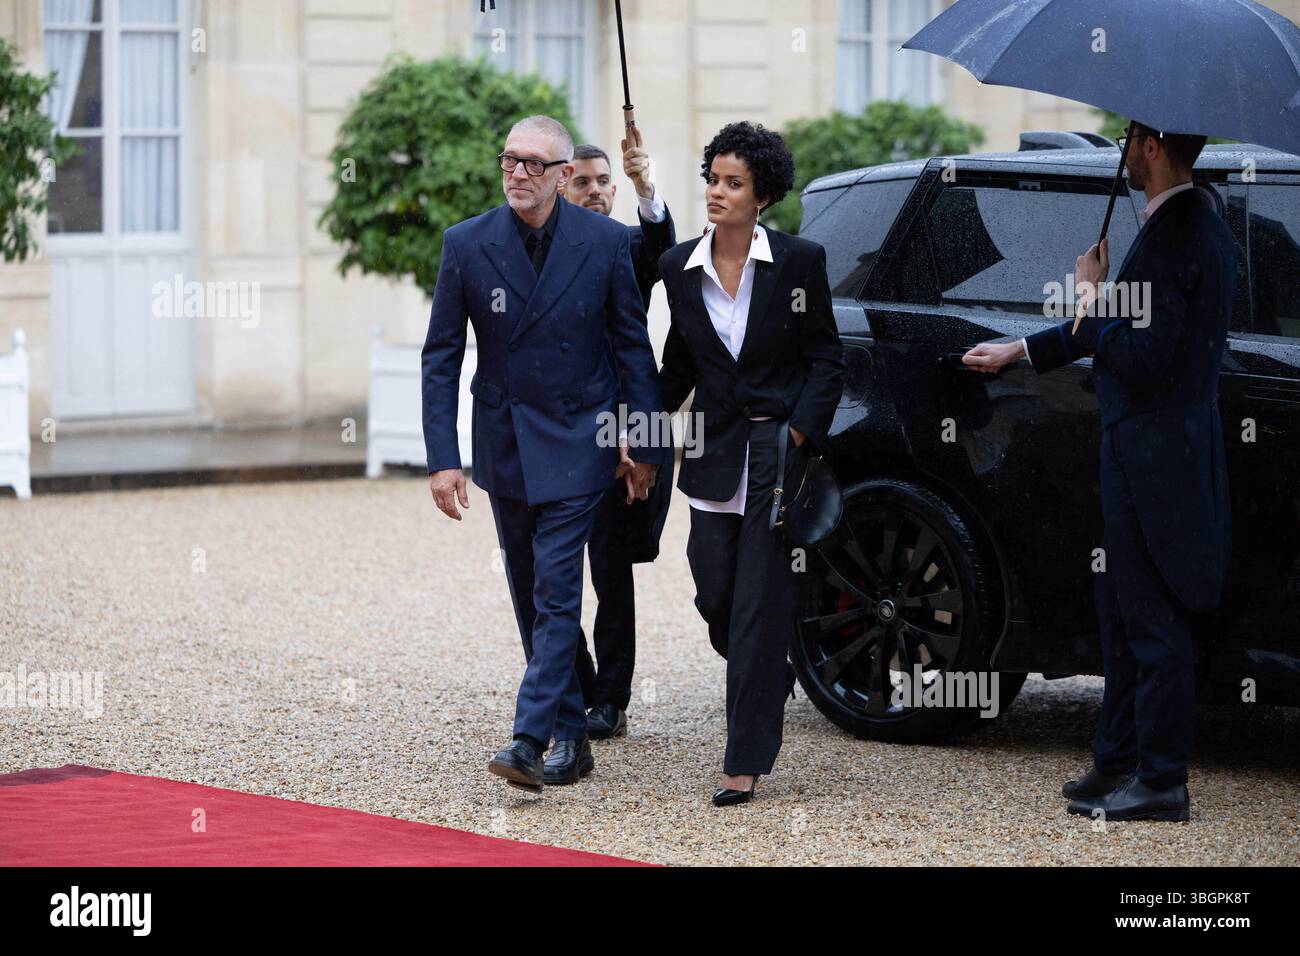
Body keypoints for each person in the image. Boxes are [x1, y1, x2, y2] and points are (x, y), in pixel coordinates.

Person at [963, 121, 1237, 822]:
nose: (1120, 148)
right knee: (1119, 613)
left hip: (1158, 460)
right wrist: (1022, 349)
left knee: (1154, 619)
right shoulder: (1187, 221)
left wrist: (1088, 296)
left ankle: (1162, 781)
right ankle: (1116, 760)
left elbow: (1145, 357)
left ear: (1149, 145)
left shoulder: (1182, 235)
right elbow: (1130, 326)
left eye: (1125, 137)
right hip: (1145, 451)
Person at [422, 115, 665, 792]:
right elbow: (440, 356)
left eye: (532, 163)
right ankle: (573, 742)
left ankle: (533, 739)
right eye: (509, 161)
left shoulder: (607, 243)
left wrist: (642, 442)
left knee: (558, 591)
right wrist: (444, 457)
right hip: (504, 446)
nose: (518, 173)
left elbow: (631, 350)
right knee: (531, 594)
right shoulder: (467, 244)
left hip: (580, 442)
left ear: (562, 175)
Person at [657, 121, 846, 807]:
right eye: (712, 178)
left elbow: (828, 359)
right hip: (712, 455)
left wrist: (800, 433)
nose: (716, 192)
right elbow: (677, 368)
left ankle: (743, 761)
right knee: (716, 596)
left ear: (761, 195)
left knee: (758, 612)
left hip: (776, 458)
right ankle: (768, 667)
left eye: (732, 183)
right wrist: (635, 428)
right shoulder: (678, 268)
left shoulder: (800, 263)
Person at [560, 127, 677, 741]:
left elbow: (661, 247)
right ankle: (573, 681)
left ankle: (611, 698)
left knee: (610, 569)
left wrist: (644, 186)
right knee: (547, 573)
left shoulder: (627, 248)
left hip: (619, 433)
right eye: (583, 181)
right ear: (560, 183)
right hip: (555, 433)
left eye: (603, 182)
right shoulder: (541, 248)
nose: (595, 191)